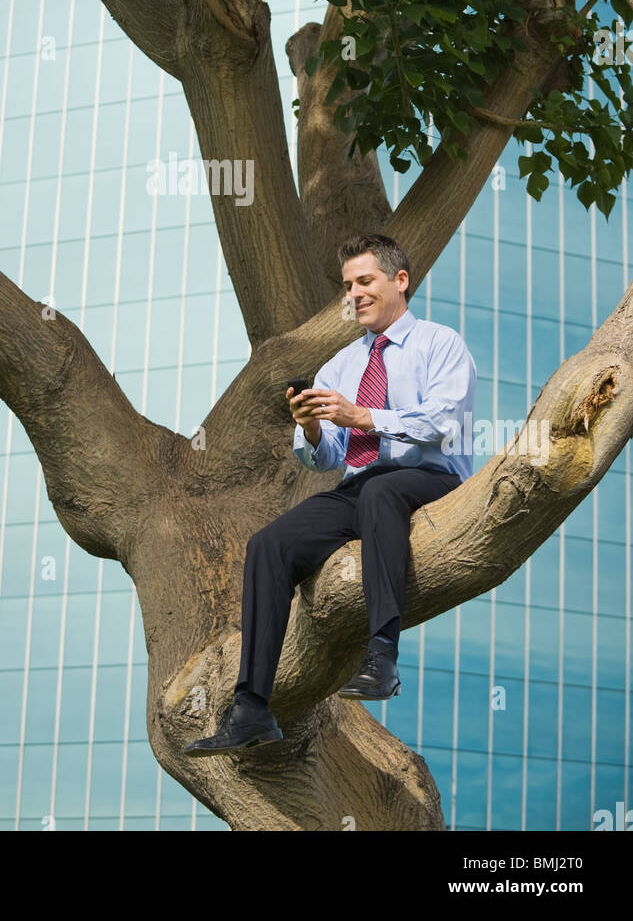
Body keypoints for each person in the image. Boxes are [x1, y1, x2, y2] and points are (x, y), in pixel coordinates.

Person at [183, 233, 476, 757]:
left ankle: (382, 654)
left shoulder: (440, 343)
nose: (355, 294)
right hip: (361, 484)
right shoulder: (341, 363)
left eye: (366, 281)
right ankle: (252, 706)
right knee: (268, 545)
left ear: (400, 281)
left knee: (382, 492)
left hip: (431, 478)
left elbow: (444, 422)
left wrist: (362, 416)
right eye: (348, 286)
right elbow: (324, 456)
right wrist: (314, 430)